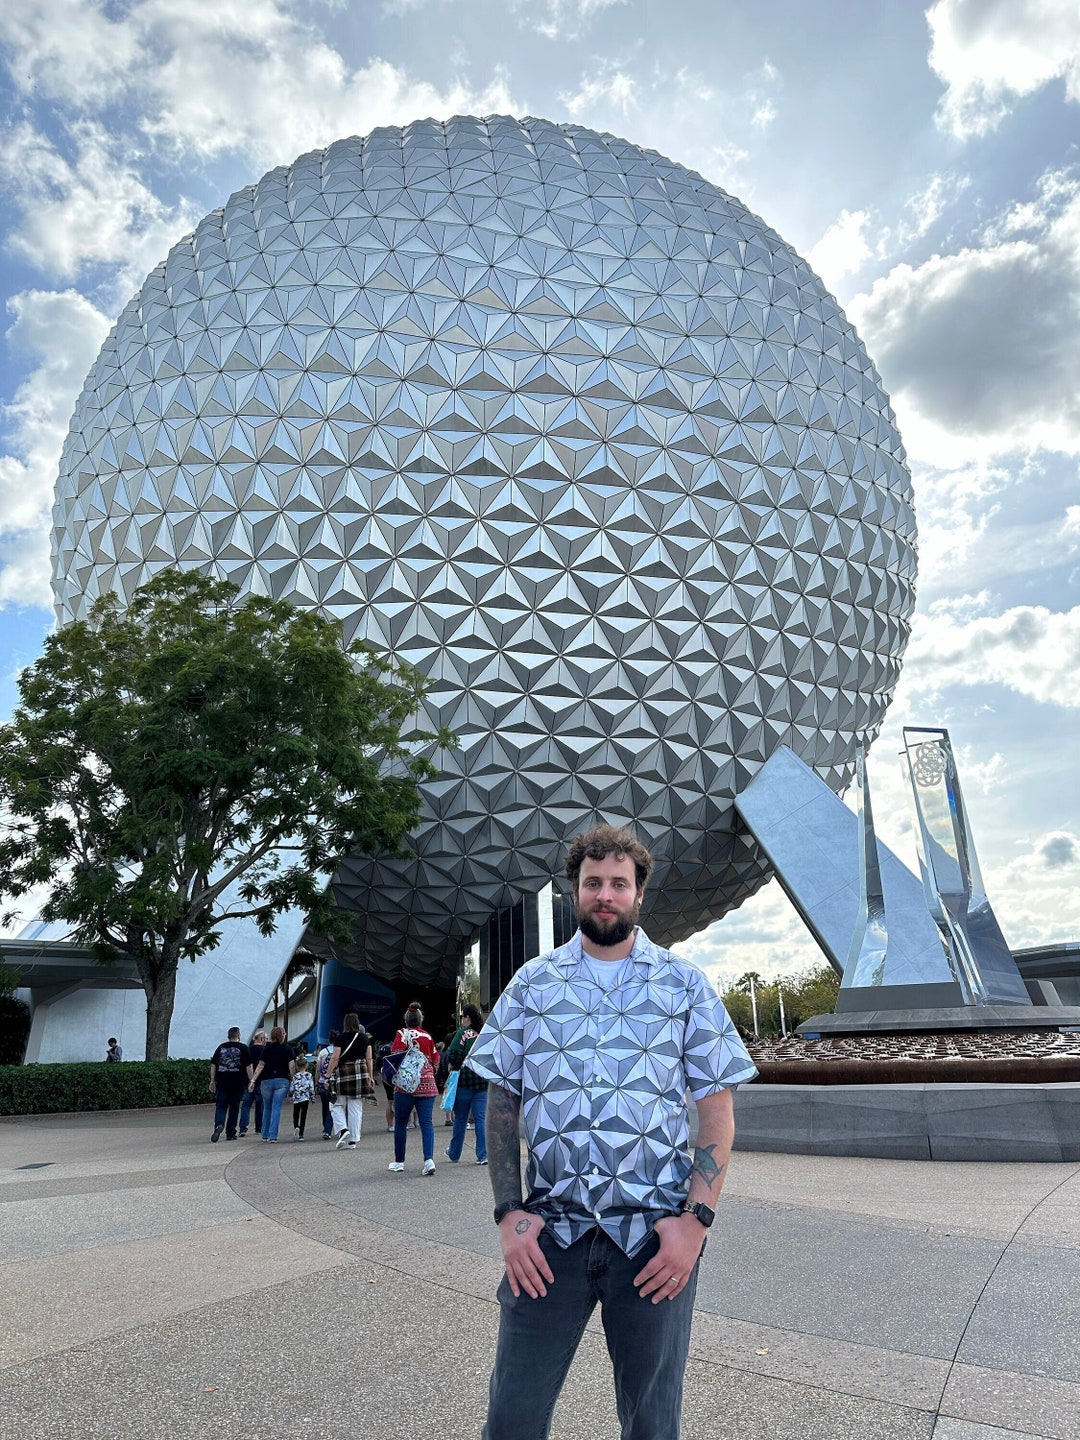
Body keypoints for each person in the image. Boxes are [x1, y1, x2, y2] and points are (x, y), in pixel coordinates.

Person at [467, 823, 756, 1440]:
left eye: (618, 884)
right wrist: (507, 1213)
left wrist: (694, 1225)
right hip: (551, 1240)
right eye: (593, 882)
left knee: (652, 1426)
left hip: (653, 1241)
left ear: (639, 894)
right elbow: (501, 1104)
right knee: (511, 1421)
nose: (605, 894)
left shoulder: (684, 985)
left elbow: (716, 1109)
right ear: (574, 890)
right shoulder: (533, 984)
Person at [388, 1003, 439, 1175]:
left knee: (401, 1123)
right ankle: (429, 1160)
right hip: (427, 1083)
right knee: (426, 1122)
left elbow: (395, 1055)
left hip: (406, 1086)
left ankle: (399, 1161)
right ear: (420, 1020)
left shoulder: (402, 1034)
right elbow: (435, 1059)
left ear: (406, 1020)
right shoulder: (428, 1036)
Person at [444, 1003, 488, 1165]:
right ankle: (483, 1155)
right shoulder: (486, 1034)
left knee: (461, 1119)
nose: (461, 1019)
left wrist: (453, 1066)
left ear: (467, 1017)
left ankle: (454, 1153)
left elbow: (454, 1056)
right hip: (483, 1083)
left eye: (462, 1016)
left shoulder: (463, 1034)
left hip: (464, 1082)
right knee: (481, 1119)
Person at [324, 1013, 372, 1150]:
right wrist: (370, 1076)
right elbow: (369, 1059)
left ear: (345, 1023)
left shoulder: (340, 1038)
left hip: (343, 1072)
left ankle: (343, 1130)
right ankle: (353, 1140)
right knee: (355, 1108)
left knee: (336, 1104)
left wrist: (327, 1076)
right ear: (358, 1023)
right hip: (361, 1073)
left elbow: (335, 1058)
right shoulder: (364, 1038)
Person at [248, 1025, 295, 1143]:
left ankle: (264, 1134)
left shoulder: (267, 1049)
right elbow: (291, 1066)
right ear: (282, 1036)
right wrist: (294, 1079)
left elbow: (260, 1065)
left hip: (266, 1081)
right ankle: (273, 1135)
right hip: (282, 1081)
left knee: (267, 1107)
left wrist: (253, 1080)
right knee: (276, 1107)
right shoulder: (288, 1049)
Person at [208, 1026, 253, 1142]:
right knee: (234, 1108)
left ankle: (219, 1125)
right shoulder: (243, 1048)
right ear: (239, 1035)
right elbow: (248, 1066)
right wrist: (251, 1080)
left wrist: (212, 1080)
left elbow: (213, 1064)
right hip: (237, 1083)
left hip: (222, 1082)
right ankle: (230, 1132)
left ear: (228, 1036)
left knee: (221, 1106)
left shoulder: (221, 1047)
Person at [239, 1029, 267, 1137]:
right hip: (260, 1082)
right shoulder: (264, 1050)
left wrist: (250, 1080)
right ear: (261, 1039)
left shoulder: (247, 1050)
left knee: (246, 1105)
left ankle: (243, 1128)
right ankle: (259, 1128)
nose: (266, 1041)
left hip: (248, 1082)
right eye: (265, 1038)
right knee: (260, 1106)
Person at [316, 1030, 339, 1139]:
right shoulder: (339, 1051)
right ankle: (328, 1130)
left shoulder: (322, 1052)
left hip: (322, 1081)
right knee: (333, 1105)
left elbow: (318, 1069)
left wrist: (316, 1082)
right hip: (334, 1082)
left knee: (324, 1106)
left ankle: (326, 1126)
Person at [289, 1057, 316, 1140]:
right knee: (303, 1115)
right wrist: (312, 1098)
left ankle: (296, 1126)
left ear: (297, 1066)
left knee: (296, 1114)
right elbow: (311, 1088)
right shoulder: (309, 1075)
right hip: (305, 1098)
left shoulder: (295, 1076)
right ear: (306, 1065)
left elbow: (292, 1088)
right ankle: (301, 1134)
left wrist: (292, 1093)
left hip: (297, 1098)